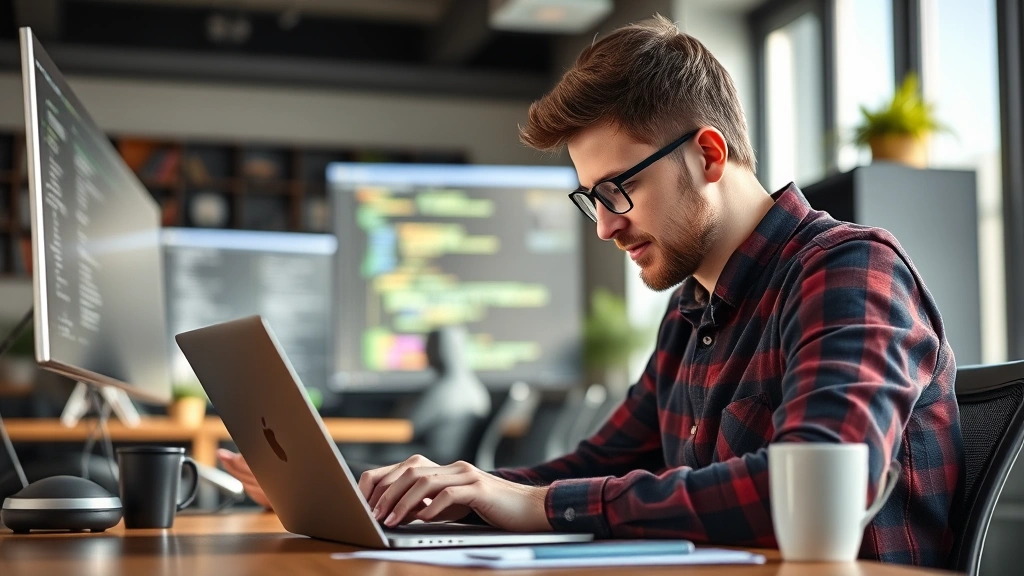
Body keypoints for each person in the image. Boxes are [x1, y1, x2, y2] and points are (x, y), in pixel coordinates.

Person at [218, 15, 963, 568]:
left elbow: (812, 487)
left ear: (707, 154)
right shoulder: (693, 311)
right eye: (590, 198)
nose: (605, 226)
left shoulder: (849, 271)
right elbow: (586, 469)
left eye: (617, 189)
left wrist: (537, 504)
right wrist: (445, 492)